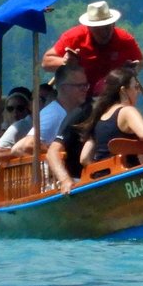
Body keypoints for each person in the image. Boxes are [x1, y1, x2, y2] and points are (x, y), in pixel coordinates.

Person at [40, 0, 143, 96]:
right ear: (89, 27)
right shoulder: (74, 38)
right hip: (77, 99)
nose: (104, 33)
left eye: (107, 27)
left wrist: (131, 70)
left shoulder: (125, 40)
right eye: (98, 28)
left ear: (113, 24)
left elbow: (140, 61)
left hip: (111, 98)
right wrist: (65, 63)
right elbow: (46, 62)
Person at [79, 68, 143, 165]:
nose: (138, 91)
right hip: (129, 174)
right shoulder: (127, 111)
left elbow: (84, 158)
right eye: (135, 87)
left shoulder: (99, 117)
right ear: (123, 91)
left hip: (105, 176)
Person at [41, 63, 95, 193]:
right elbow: (27, 145)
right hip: (72, 181)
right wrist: (65, 180)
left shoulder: (80, 110)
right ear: (64, 88)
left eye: (86, 85)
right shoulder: (54, 113)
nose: (85, 89)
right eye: (79, 86)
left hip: (88, 176)